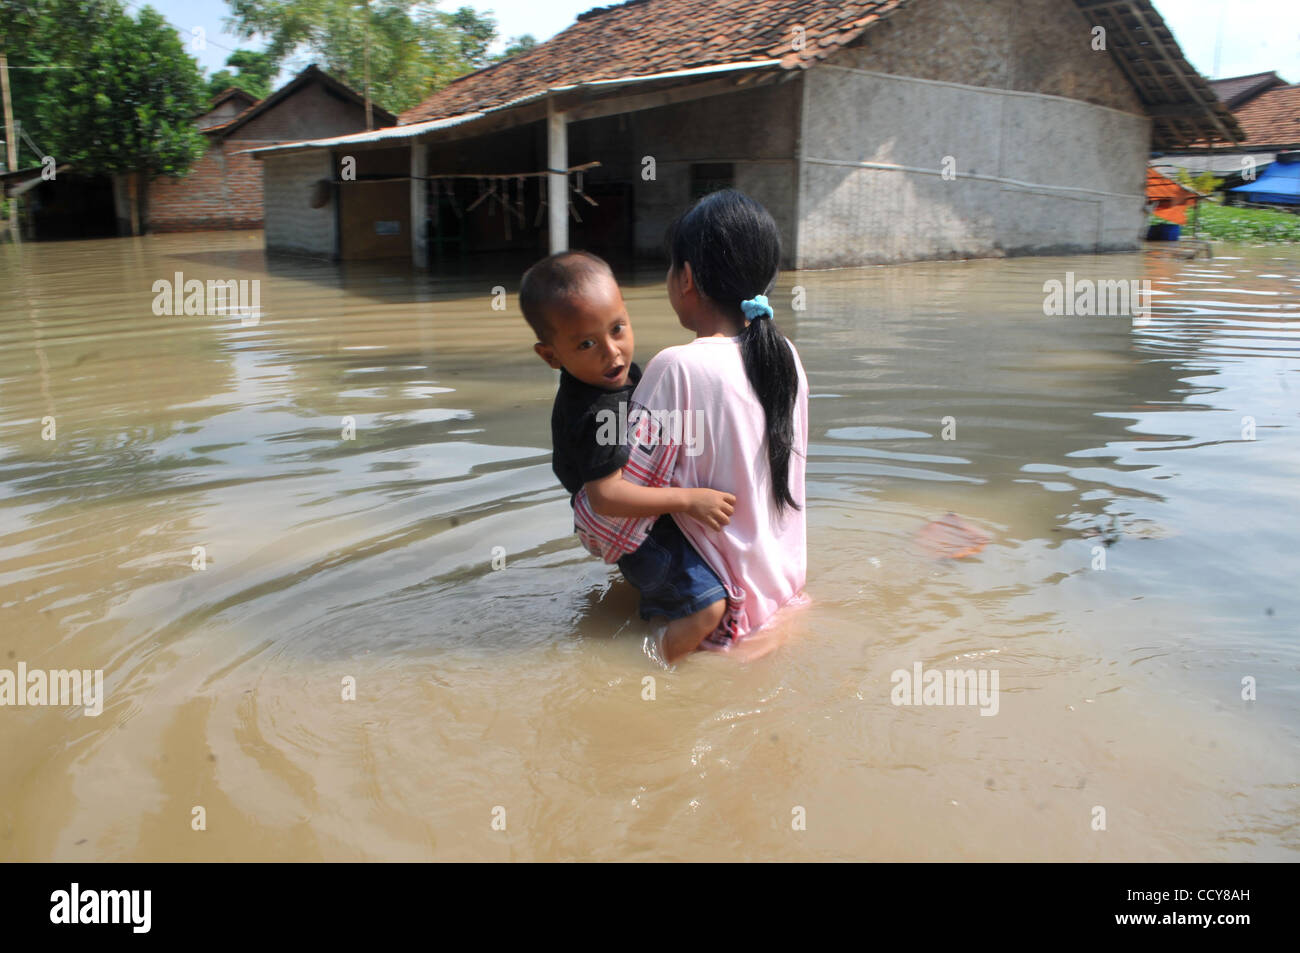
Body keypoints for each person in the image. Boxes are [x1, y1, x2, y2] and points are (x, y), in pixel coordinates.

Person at [575, 189, 809, 663]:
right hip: (785, 604)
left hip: (717, 628)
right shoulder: (785, 358)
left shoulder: (677, 368)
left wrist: (582, 503)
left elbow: (611, 511)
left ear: (685, 278)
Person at [519, 251, 737, 656]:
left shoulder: (618, 377)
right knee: (708, 609)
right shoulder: (593, 412)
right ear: (550, 356)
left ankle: (653, 606)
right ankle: (651, 663)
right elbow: (606, 497)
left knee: (680, 590)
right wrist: (690, 499)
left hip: (640, 522)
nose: (612, 352)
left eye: (617, 328)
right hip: (629, 528)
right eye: (586, 343)